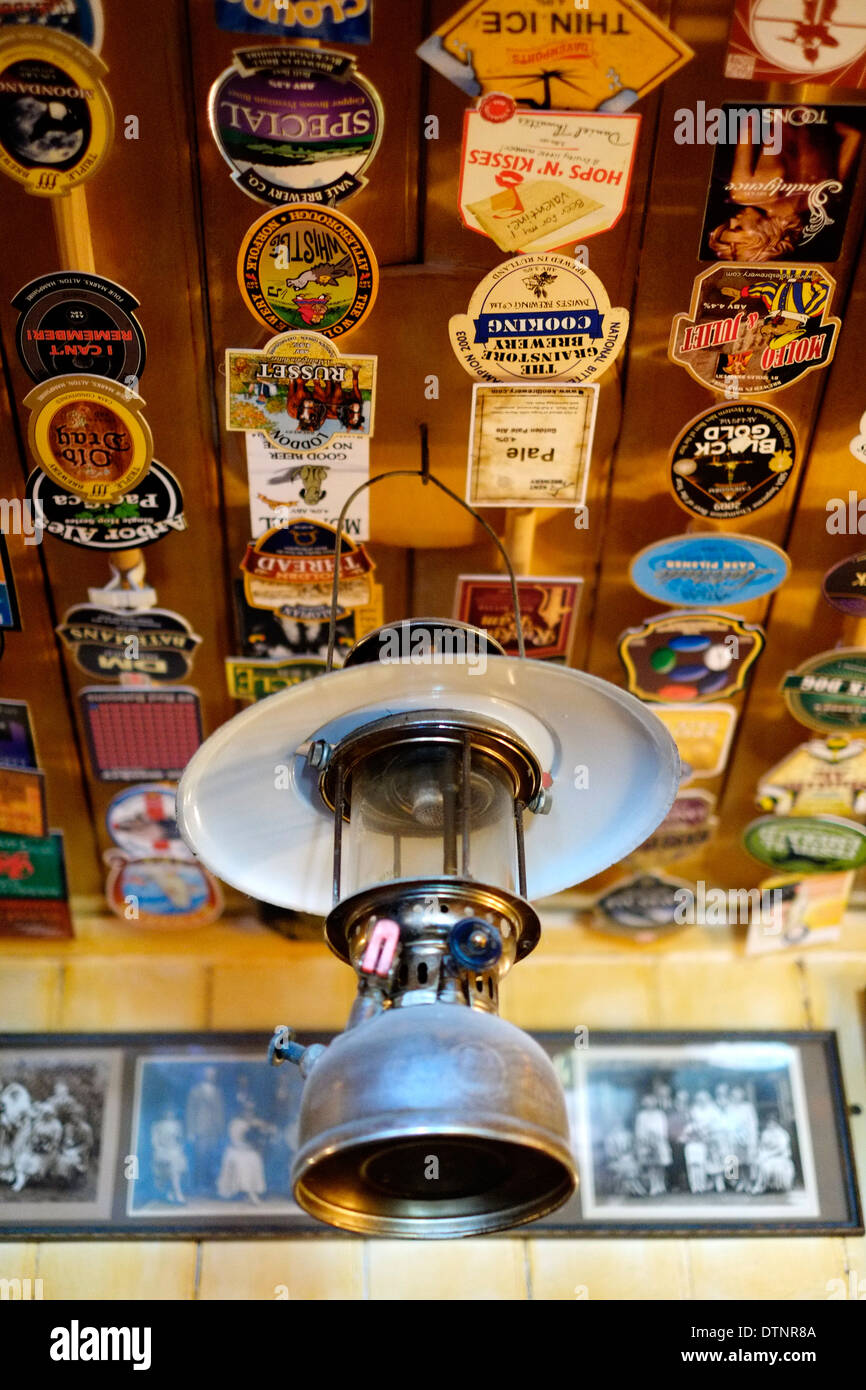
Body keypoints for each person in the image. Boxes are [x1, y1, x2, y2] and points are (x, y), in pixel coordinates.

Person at [707, 112, 862, 262]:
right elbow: (750, 121)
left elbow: (854, 135)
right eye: (738, 228)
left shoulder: (824, 199)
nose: (733, 220)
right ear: (763, 239)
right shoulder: (743, 193)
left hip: (822, 110)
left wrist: (818, 118)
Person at [217, 1101, 275, 1204]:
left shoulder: (256, 1122)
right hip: (236, 1151)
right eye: (246, 1111)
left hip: (249, 1151)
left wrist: (262, 1132)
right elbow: (236, 1141)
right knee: (243, 1161)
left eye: (251, 1111)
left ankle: (252, 1192)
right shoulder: (236, 1124)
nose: (249, 1113)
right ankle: (248, 1192)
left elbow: (265, 1133)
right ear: (242, 1111)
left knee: (255, 1158)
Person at [185, 1067, 226, 1196]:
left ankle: (210, 1186)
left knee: (212, 1157)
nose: (211, 1076)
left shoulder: (218, 1091)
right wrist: (190, 1131)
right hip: (200, 1129)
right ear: (203, 1074)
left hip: (214, 1130)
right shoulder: (195, 1091)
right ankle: (198, 1186)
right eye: (208, 1073)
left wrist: (221, 1130)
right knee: (200, 1157)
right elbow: (190, 1111)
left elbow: (221, 1112)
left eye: (213, 1074)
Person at [634, 1094, 672, 1196]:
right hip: (646, 1143)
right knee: (651, 1166)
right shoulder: (641, 1116)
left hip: (659, 1142)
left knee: (660, 1166)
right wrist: (646, 1138)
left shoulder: (660, 1114)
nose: (649, 1105)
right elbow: (639, 1130)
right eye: (647, 1103)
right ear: (644, 1104)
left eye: (651, 1102)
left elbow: (664, 1129)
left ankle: (661, 1185)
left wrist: (657, 1136)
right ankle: (654, 1186)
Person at [150, 1105, 187, 1205]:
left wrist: (178, 1147)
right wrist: (162, 1150)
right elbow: (154, 1142)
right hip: (162, 1151)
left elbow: (180, 1140)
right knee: (166, 1172)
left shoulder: (177, 1125)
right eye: (167, 1111)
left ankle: (178, 1193)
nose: (169, 1113)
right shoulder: (156, 1125)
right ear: (163, 1112)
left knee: (175, 1169)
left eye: (171, 1111)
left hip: (174, 1150)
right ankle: (169, 1193)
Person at [752, 1112, 796, 1194]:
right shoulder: (765, 1133)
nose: (770, 1125)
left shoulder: (782, 1134)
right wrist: (762, 1154)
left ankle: (772, 1186)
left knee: (768, 1165)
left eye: (772, 1123)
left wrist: (768, 1155)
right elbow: (762, 1147)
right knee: (759, 1162)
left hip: (780, 1156)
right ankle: (761, 1185)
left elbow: (781, 1149)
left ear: (776, 1123)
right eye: (769, 1123)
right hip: (768, 1155)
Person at [728, 1085, 760, 1192]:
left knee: (748, 1162)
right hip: (735, 1138)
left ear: (742, 1096)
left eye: (738, 1095)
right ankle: (740, 1181)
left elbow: (752, 1124)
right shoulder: (730, 1108)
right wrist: (735, 1135)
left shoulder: (748, 1107)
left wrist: (749, 1137)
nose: (736, 1097)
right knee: (736, 1162)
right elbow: (729, 1124)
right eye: (734, 1095)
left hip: (747, 1138)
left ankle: (749, 1182)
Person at [604, 1122, 645, 1197]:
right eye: (615, 1126)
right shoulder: (609, 1138)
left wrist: (628, 1155)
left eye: (619, 1125)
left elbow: (632, 1149)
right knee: (627, 1168)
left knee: (630, 1167)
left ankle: (634, 1190)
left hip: (627, 1159)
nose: (617, 1127)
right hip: (616, 1161)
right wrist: (620, 1156)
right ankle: (636, 1190)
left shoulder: (628, 1135)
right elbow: (610, 1153)